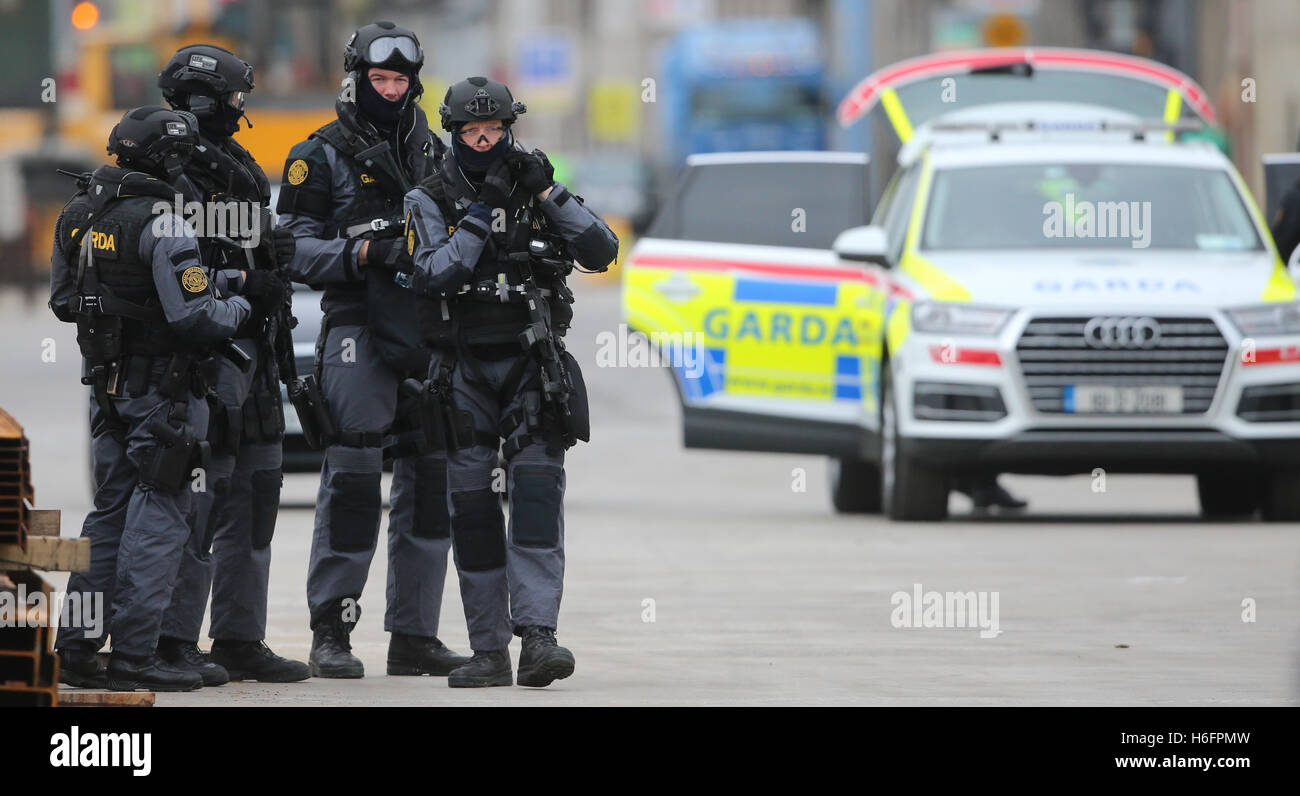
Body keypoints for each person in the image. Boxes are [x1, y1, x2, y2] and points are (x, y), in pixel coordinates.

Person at [399, 77, 618, 687]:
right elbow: (436, 272)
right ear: (453, 133)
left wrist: (546, 189)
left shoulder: (533, 186)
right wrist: (480, 210)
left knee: (537, 502)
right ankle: (488, 650)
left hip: (531, 365)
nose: (484, 141)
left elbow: (602, 249)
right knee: (471, 510)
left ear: (510, 128)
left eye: (494, 130)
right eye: (471, 132)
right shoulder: (428, 196)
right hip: (462, 368)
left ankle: (539, 637)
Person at [50, 106, 277, 691]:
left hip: (106, 389)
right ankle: (134, 656)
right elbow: (196, 316)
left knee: (107, 515)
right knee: (159, 519)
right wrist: (246, 305)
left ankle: (76, 650)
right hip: (167, 394)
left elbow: (64, 300)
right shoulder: (166, 222)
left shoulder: (77, 213)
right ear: (167, 159)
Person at [276, 21, 468, 678]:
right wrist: (361, 251)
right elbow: (289, 247)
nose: (390, 91)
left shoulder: (434, 152)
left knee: (431, 478)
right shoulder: (319, 154)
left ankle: (414, 636)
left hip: (428, 332)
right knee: (355, 480)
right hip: (358, 327)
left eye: (400, 81)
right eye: (379, 80)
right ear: (357, 79)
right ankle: (332, 632)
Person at [152, 43, 309, 684]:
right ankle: (172, 639)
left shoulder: (236, 161)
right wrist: (242, 283)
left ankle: (240, 637)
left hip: (259, 354)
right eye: (235, 96)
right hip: (208, 358)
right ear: (204, 100)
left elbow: (255, 242)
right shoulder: (171, 168)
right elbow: (173, 265)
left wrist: (272, 263)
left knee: (256, 495)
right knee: (200, 500)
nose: (242, 107)